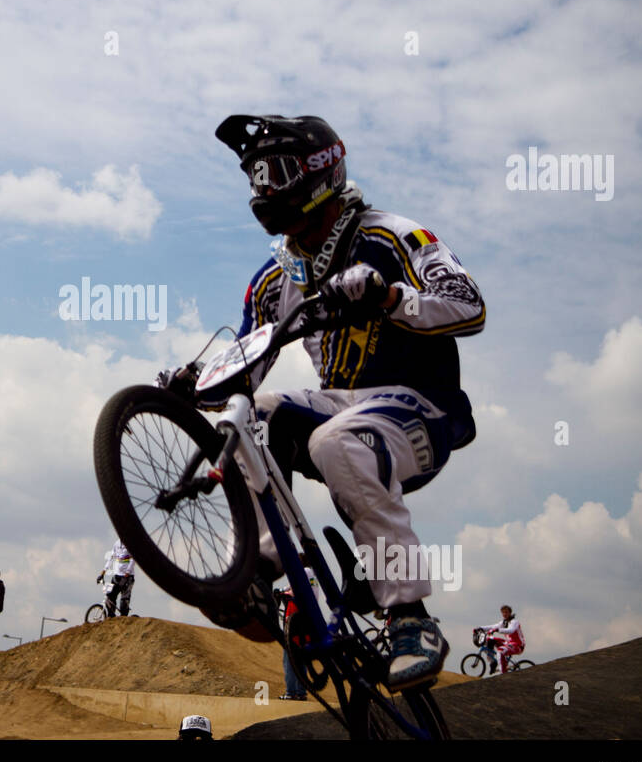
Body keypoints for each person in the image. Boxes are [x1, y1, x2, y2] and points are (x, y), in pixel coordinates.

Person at [166, 114, 485, 690]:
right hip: (340, 407)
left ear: (318, 173)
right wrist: (194, 380)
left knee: (334, 439)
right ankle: (263, 570)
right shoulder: (274, 277)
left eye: (276, 173)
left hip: (423, 410)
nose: (264, 188)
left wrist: (390, 297)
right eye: (255, 178)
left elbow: (470, 306)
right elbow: (245, 361)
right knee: (251, 414)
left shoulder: (392, 235)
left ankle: (411, 615)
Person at [278, 556, 317, 700]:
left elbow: (293, 591)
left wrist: (283, 593)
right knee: (301, 657)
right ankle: (301, 692)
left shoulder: (303, 572)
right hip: (306, 619)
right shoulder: (311, 575)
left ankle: (291, 692)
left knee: (289, 657)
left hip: (296, 620)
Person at [479, 605, 525, 675]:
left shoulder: (514, 622)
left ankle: (503, 674)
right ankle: (493, 662)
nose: (505, 614)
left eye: (506, 612)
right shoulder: (504, 622)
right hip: (508, 643)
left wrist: (498, 630)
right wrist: (480, 628)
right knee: (489, 639)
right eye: (503, 613)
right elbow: (492, 626)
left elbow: (510, 630)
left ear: (510, 613)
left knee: (500, 651)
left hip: (518, 645)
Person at [98, 539, 135, 618]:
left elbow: (132, 560)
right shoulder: (116, 543)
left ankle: (123, 617)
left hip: (127, 577)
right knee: (110, 596)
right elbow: (111, 559)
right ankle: (111, 616)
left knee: (124, 600)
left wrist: (127, 573)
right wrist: (102, 573)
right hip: (117, 576)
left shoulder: (130, 544)